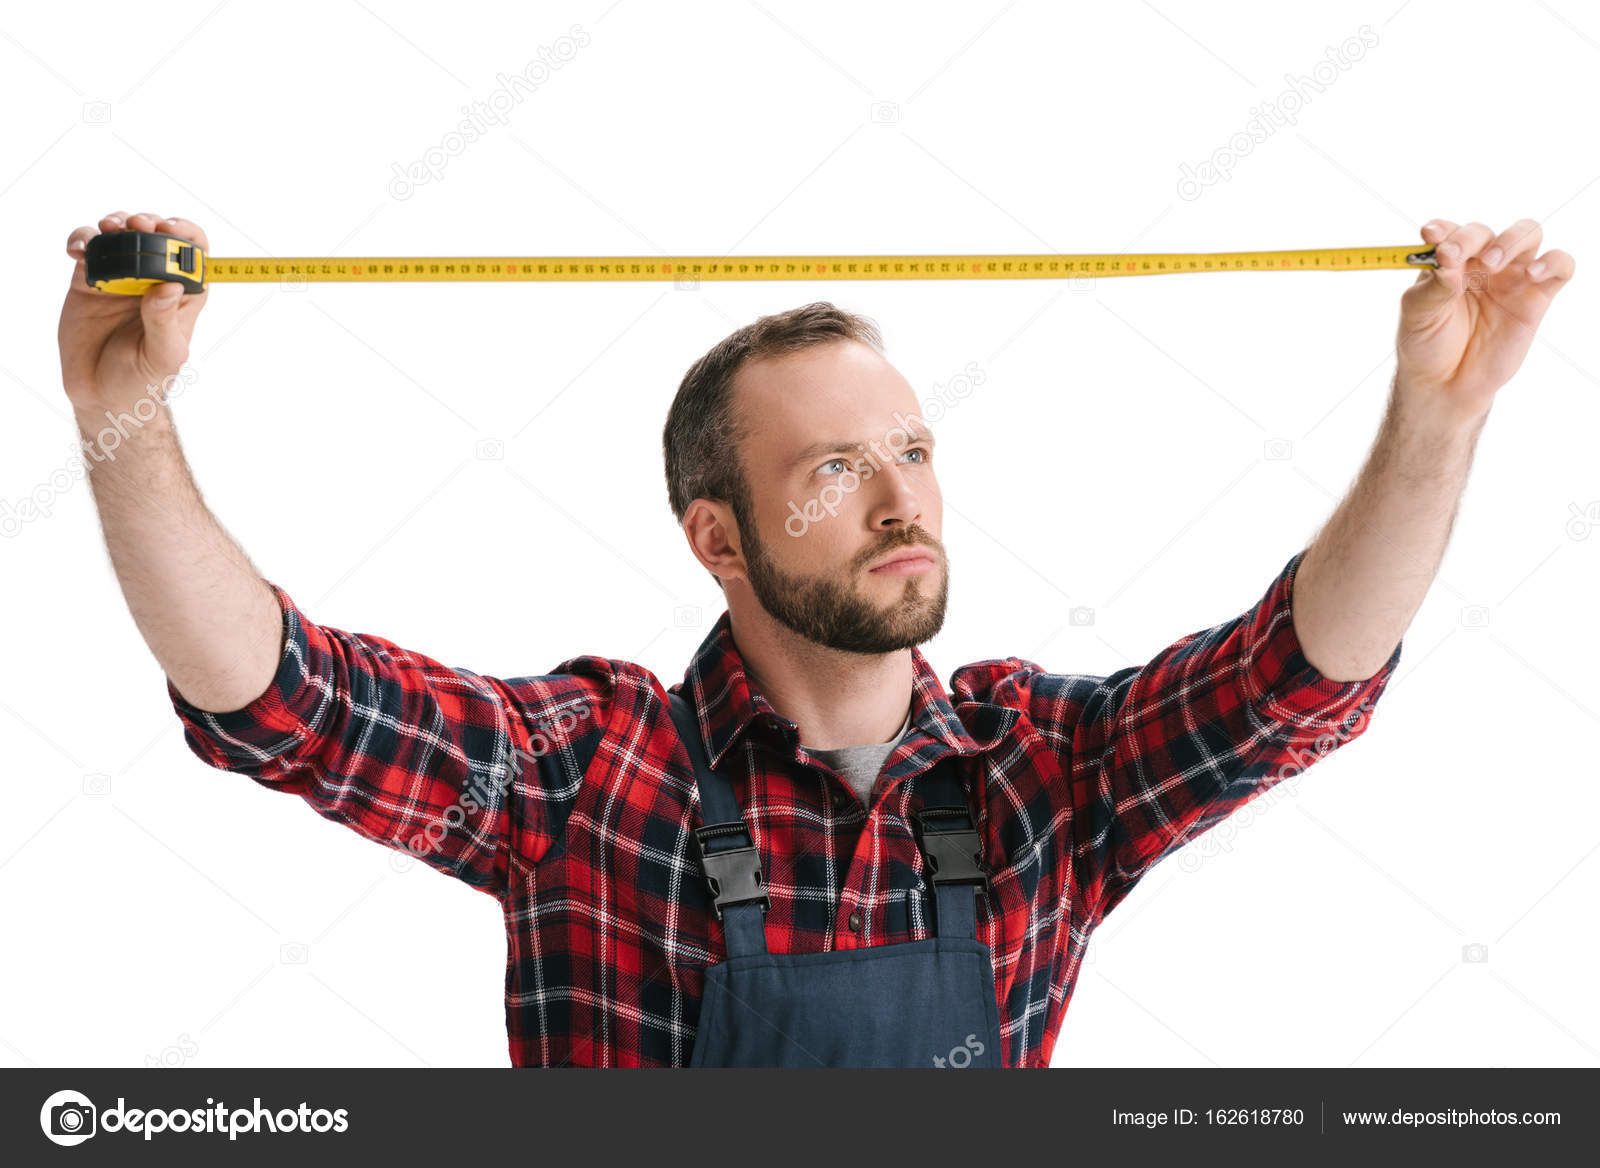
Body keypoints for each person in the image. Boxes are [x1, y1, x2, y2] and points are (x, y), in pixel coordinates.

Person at [58, 210, 1574, 1067]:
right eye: (832, 471)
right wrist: (121, 411)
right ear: (717, 538)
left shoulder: (1040, 770)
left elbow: (1293, 681)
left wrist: (1441, 416)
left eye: (910, 452)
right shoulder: (588, 777)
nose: (899, 500)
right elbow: (273, 694)